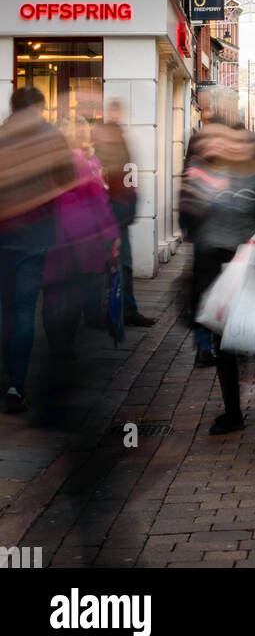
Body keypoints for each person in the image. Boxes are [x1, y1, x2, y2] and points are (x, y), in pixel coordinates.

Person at [180, 125, 255, 428]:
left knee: (247, 334)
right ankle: (233, 411)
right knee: (223, 338)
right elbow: (186, 219)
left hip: (248, 264)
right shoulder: (200, 171)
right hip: (212, 265)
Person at [0, 88, 77, 414]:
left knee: (6, 310)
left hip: (4, 236)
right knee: (24, 309)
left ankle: (9, 379)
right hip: (38, 237)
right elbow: (68, 180)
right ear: (39, 107)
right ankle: (18, 384)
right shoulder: (53, 137)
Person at [42, 116, 120, 357]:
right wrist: (112, 235)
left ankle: (56, 341)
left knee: (52, 290)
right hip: (81, 236)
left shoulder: (47, 161)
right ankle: (65, 342)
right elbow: (99, 202)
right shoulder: (88, 163)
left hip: (51, 235)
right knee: (75, 289)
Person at [92, 101, 154, 328]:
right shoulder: (108, 141)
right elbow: (111, 178)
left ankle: (119, 310)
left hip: (118, 210)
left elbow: (130, 175)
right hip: (112, 211)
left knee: (118, 263)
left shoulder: (118, 139)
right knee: (117, 263)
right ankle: (117, 311)